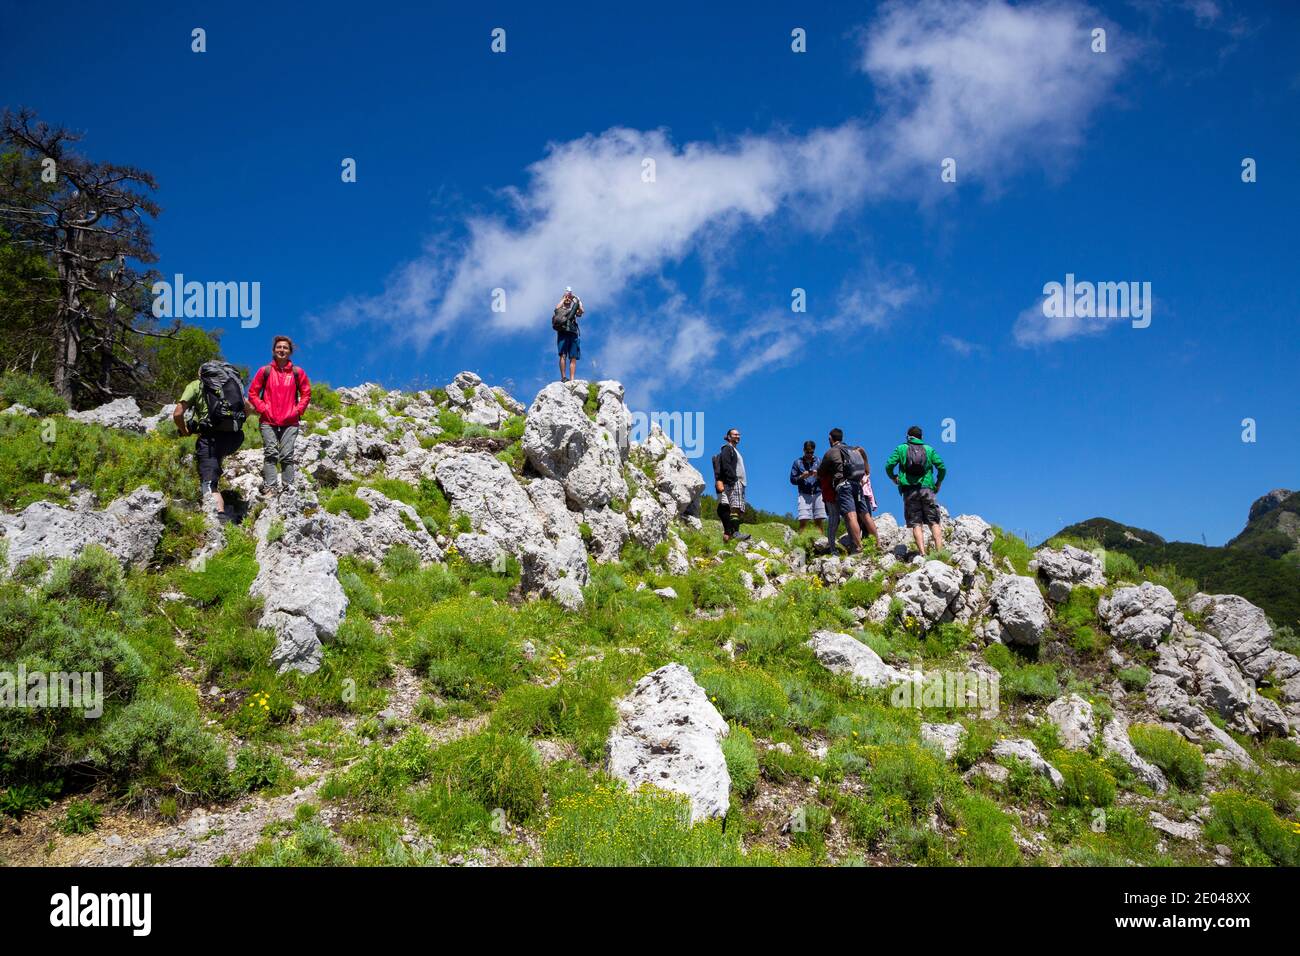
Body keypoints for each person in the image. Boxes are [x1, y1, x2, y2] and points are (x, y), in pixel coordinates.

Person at [173, 361, 248, 522]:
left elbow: (178, 413)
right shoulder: (231, 385)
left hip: (210, 438)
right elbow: (248, 407)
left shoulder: (196, 385)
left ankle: (218, 519)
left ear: (201, 374)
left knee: (209, 483)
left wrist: (185, 431)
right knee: (217, 459)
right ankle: (217, 472)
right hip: (234, 437)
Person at [247, 335, 312, 495]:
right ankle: (270, 488)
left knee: (287, 455)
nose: (282, 350)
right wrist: (263, 409)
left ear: (290, 352)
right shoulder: (265, 371)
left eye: (285, 348)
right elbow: (252, 393)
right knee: (270, 453)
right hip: (268, 421)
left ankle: (288, 490)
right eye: (279, 347)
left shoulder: (298, 372)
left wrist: (297, 411)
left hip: (290, 422)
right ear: (273, 350)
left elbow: (306, 393)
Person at [885, 425, 947, 555]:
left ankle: (922, 553)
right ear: (921, 437)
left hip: (909, 491)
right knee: (934, 521)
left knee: (916, 523)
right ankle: (940, 552)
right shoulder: (929, 450)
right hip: (927, 489)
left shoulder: (901, 448)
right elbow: (942, 467)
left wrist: (894, 478)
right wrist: (938, 482)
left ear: (908, 436)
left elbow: (889, 465)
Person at [818, 428, 870, 554]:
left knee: (835, 519)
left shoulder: (831, 452)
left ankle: (834, 549)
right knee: (852, 518)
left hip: (835, 490)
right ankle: (860, 546)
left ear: (831, 438)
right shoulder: (850, 450)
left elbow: (820, 472)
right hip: (854, 485)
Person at [714, 427, 751, 543]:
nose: (738, 436)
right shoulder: (727, 448)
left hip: (738, 482)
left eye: (739, 435)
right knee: (735, 507)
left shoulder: (734, 450)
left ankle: (729, 535)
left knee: (736, 509)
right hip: (734, 482)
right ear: (729, 437)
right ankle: (735, 532)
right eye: (735, 434)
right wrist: (733, 479)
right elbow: (725, 464)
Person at [789, 440, 826, 531]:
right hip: (804, 494)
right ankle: (801, 541)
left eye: (811, 452)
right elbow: (792, 480)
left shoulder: (819, 461)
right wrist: (802, 477)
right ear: (803, 450)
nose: (809, 454)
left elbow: (825, 478)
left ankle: (821, 542)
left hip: (818, 493)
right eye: (807, 452)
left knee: (819, 520)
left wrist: (818, 475)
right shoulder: (797, 462)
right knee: (803, 519)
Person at [553, 287, 585, 382]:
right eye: (566, 298)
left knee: (573, 357)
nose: (567, 300)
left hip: (573, 333)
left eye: (568, 299)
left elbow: (582, 311)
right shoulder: (560, 309)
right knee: (563, 354)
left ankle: (572, 379)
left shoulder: (573, 310)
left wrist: (576, 299)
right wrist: (564, 298)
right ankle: (563, 377)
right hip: (563, 332)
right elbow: (556, 308)